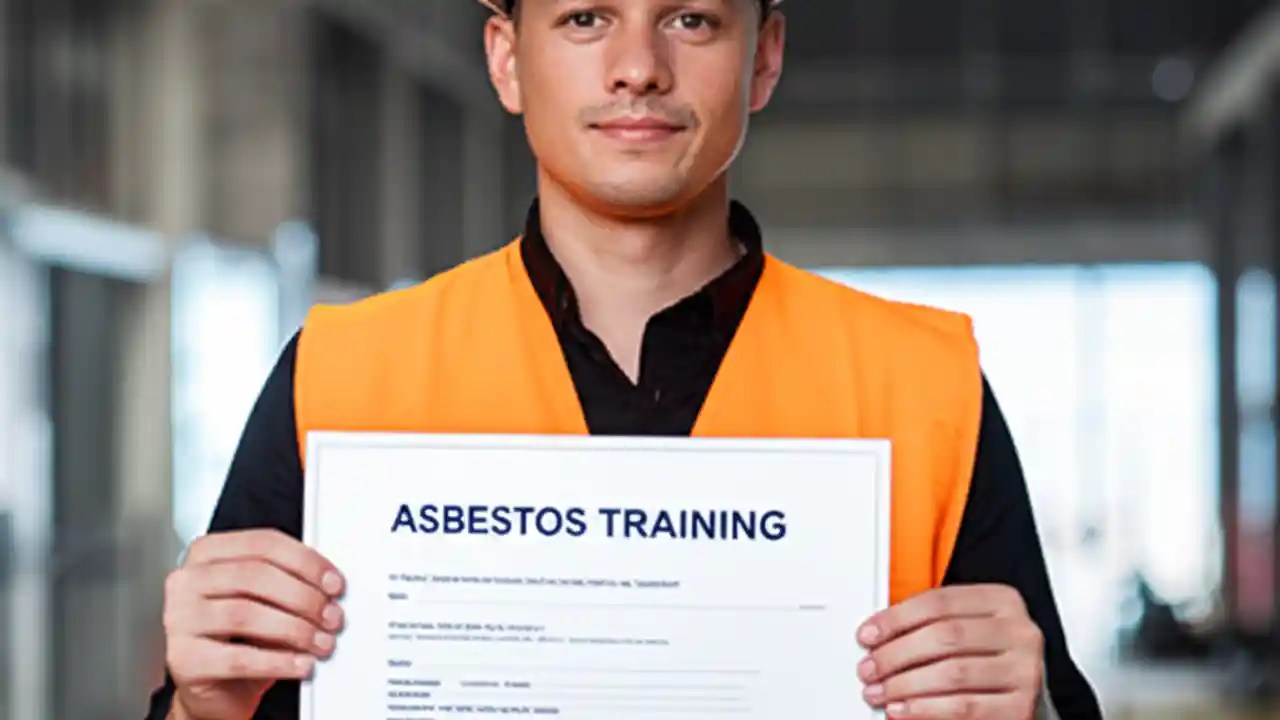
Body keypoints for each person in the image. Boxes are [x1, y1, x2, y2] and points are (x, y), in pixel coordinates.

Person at [146, 0, 1103, 718]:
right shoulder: (340, 379)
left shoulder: (923, 388)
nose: (637, 67)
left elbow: (1044, 699)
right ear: (507, 59)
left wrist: (1038, 711)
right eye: (586, 18)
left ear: (763, 57)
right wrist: (202, 709)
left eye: (689, 18)